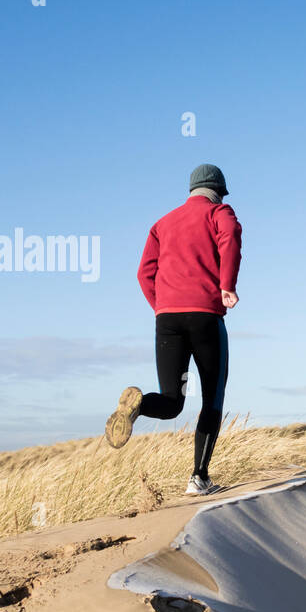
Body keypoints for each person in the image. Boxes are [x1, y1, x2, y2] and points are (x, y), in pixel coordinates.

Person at [104, 163, 241, 496]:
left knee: (171, 401)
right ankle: (198, 478)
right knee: (212, 399)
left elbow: (143, 273)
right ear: (218, 191)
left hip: (167, 320)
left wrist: (161, 306)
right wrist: (227, 285)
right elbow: (231, 238)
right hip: (206, 316)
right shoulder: (219, 213)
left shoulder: (162, 224)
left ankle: (138, 407)